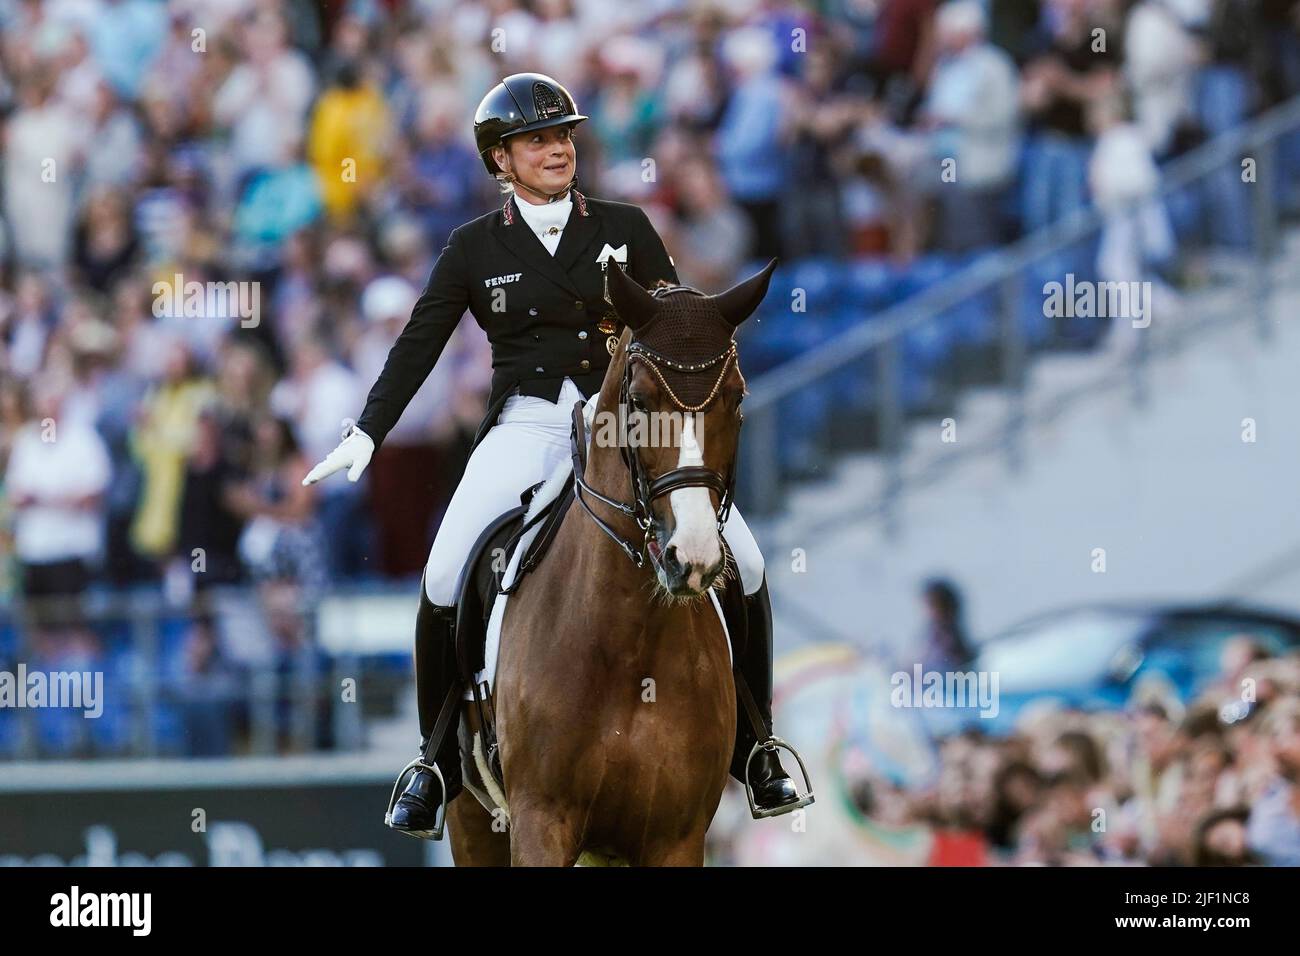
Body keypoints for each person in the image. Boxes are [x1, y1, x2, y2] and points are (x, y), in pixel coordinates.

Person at [302, 73, 810, 839]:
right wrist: (368, 431)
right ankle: (436, 760)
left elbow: (671, 329)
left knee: (750, 559)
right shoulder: (473, 246)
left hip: (624, 424)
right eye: (538, 139)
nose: (557, 149)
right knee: (444, 572)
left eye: (564, 135)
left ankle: (757, 745)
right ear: (500, 158)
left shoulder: (627, 225)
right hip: (530, 422)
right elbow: (420, 345)